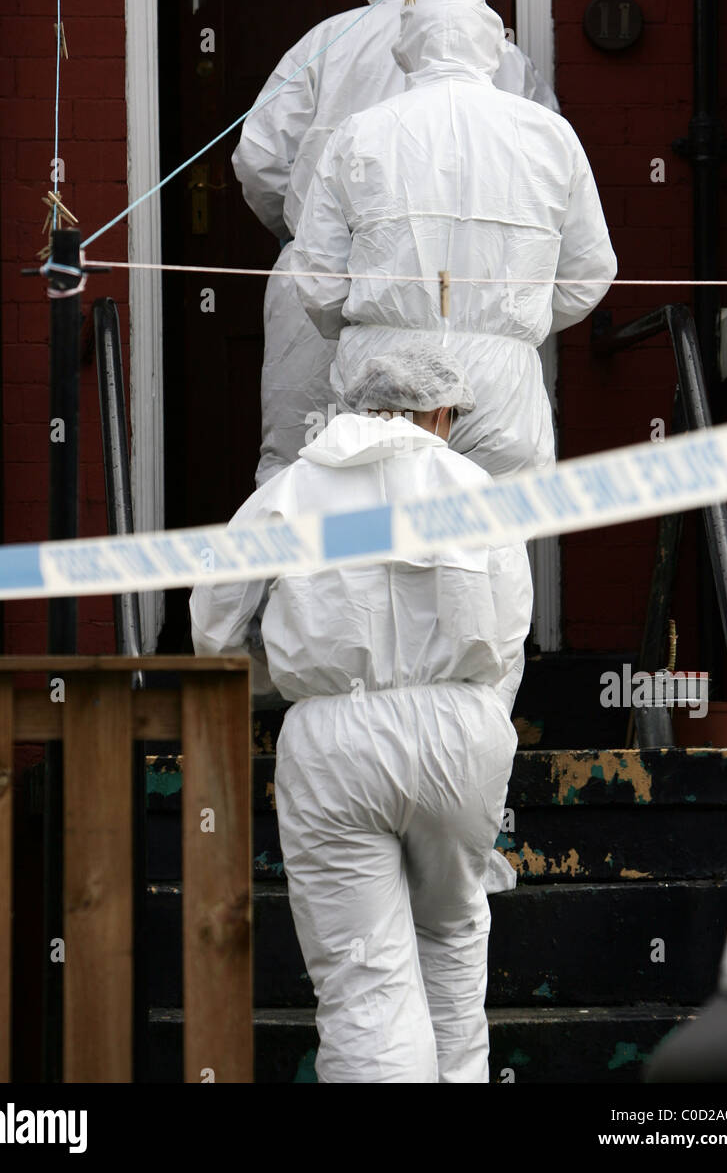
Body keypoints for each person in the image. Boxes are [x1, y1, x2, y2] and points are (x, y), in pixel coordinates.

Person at [190, 343, 533, 1083]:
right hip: (461, 731)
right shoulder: (474, 486)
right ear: (438, 412)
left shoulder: (290, 489)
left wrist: (275, 677)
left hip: (335, 735)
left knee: (364, 977)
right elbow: (507, 637)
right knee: (453, 935)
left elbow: (214, 626)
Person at [231, 0, 559, 486]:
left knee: (302, 463)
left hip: (323, 286)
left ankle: (298, 577)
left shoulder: (326, 41)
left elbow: (257, 158)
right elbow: (549, 179)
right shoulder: (503, 59)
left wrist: (301, 234)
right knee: (470, 484)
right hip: (471, 293)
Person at [290, 0, 618, 479]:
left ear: (408, 44)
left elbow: (317, 276)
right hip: (503, 385)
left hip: (388, 375)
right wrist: (510, 322)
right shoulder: (549, 134)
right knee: (498, 544)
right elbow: (589, 271)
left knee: (386, 544)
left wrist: (368, 325)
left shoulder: (361, 133)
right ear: (490, 40)